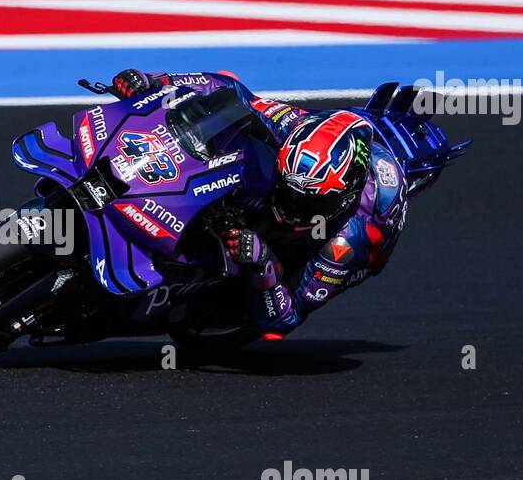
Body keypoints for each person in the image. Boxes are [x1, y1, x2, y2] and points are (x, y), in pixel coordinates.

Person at [108, 68, 409, 339]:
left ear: (342, 199)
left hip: (339, 243)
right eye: (289, 192)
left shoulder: (351, 240)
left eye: (306, 203)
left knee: (273, 274)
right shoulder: (290, 125)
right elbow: (227, 89)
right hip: (314, 152)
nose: (292, 208)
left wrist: (265, 266)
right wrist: (157, 81)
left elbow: (287, 319)